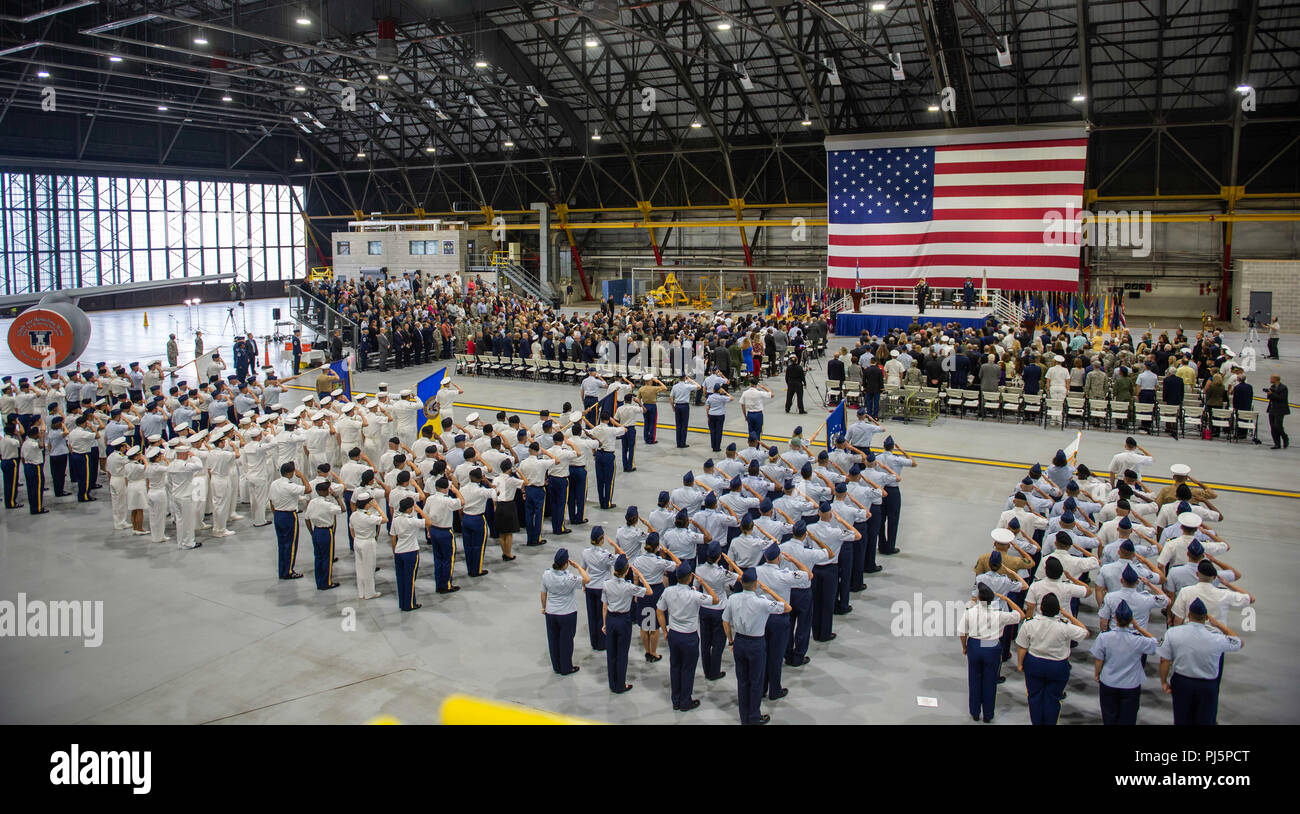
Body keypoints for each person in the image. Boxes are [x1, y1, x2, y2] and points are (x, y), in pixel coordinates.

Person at [1157, 598, 1243, 725]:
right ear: (1206, 618)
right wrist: (1218, 624)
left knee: (1182, 719)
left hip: (1182, 682)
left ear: (1189, 615)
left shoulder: (1172, 633)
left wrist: (1164, 681)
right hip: (1207, 686)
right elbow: (1238, 642)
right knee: (1205, 720)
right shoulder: (1216, 639)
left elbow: (1164, 659)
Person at [722, 567, 791, 725]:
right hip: (756, 643)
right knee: (756, 681)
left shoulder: (733, 599)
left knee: (742, 681)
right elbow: (787, 607)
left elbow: (725, 621)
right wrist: (769, 591)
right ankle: (754, 716)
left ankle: (744, 717)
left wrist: (731, 640)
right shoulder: (762, 602)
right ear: (755, 584)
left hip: (739, 641)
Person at [1015, 593, 1089, 725]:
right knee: (1053, 698)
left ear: (1041, 609)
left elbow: (1022, 647)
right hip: (1057, 666)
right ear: (1057, 610)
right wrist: (1068, 615)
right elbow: (1085, 632)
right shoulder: (1065, 626)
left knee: (1034, 696)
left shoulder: (1029, 624)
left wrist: (1020, 664)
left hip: (1034, 663)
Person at [656, 562, 720, 711]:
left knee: (675, 667)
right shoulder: (695, 595)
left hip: (674, 634)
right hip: (689, 636)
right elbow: (715, 599)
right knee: (688, 669)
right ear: (690, 578)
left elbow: (659, 611)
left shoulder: (668, 592)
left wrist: (665, 631)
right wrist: (703, 583)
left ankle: (676, 699)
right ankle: (685, 701)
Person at [958, 583, 1025, 723]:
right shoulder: (999, 614)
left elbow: (962, 632)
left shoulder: (970, 612)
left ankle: (975, 712)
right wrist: (1007, 600)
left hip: (975, 645)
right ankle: (988, 715)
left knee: (974, 679)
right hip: (992, 645)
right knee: (990, 681)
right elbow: (1021, 615)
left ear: (979, 598)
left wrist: (965, 647)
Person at [1091, 599, 1159, 725]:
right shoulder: (1138, 640)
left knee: (1109, 716)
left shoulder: (1104, 637)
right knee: (1128, 719)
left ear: (1115, 618)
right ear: (1131, 619)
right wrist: (1138, 627)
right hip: (1130, 684)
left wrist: (1097, 673)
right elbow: (1155, 643)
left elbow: (1099, 659)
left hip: (1109, 682)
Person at [601, 553, 650, 693]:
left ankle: (613, 683)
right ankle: (620, 685)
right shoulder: (629, 587)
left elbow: (604, 606)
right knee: (622, 653)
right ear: (626, 571)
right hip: (623, 620)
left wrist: (604, 623)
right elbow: (649, 591)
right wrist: (640, 576)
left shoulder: (606, 584)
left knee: (611, 653)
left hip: (610, 618)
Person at [541, 548, 589, 676]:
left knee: (553, 640)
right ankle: (566, 667)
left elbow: (543, 592)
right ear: (566, 563)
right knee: (566, 641)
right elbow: (586, 579)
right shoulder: (569, 578)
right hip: (567, 613)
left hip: (551, 612)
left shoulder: (546, 574)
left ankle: (556, 666)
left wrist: (544, 607)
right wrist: (579, 567)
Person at [269, 461, 310, 578]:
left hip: (277, 514)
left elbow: (271, 501)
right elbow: (308, 489)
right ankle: (288, 571)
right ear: (290, 473)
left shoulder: (274, 483)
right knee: (290, 544)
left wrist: (275, 513)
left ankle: (283, 569)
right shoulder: (290, 486)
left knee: (281, 544)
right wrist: (302, 476)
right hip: (288, 516)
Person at [303, 480, 343, 590]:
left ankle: (319, 582)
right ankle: (326, 582)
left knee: (318, 557)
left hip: (316, 531)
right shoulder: (328, 504)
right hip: (326, 532)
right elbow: (342, 509)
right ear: (326, 491)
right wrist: (337, 497)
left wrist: (312, 532)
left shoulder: (312, 502)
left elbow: (306, 519)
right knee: (327, 558)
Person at [390, 496, 427, 611]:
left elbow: (393, 536)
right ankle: (410, 604)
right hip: (410, 551)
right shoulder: (412, 521)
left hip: (399, 551)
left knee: (400, 579)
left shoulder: (396, 519)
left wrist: (395, 551)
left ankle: (403, 603)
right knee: (410, 579)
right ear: (409, 509)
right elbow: (428, 522)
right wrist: (420, 510)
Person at [669, 374, 699, 448]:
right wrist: (690, 380)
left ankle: (678, 443)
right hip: (684, 406)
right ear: (685, 378)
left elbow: (671, 398)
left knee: (678, 425)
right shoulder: (687, 386)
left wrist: (673, 407)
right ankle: (682, 443)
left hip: (677, 406)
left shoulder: (675, 386)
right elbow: (699, 386)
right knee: (684, 425)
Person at [1266, 374, 1289, 449]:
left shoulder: (1283, 388)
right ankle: (1277, 443)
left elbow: (1282, 398)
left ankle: (1285, 437)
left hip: (1280, 410)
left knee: (1278, 426)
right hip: (1272, 409)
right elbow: (1269, 397)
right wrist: (1269, 394)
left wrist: (1272, 394)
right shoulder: (1272, 387)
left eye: (1271, 378)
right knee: (1273, 427)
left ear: (1276, 379)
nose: (1270, 379)